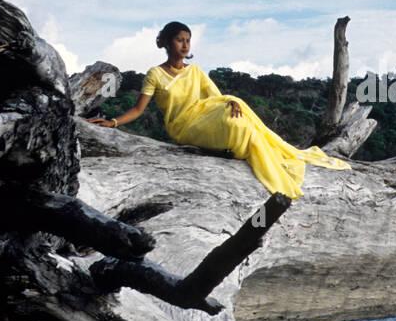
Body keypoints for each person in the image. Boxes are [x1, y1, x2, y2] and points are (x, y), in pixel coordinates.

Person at [86, 21, 351, 199]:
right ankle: (240, 152)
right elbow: (137, 109)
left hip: (205, 116)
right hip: (183, 127)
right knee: (236, 125)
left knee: (239, 117)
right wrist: (114, 122)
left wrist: (231, 102)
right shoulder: (155, 74)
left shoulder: (196, 71)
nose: (186, 45)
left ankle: (257, 152)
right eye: (180, 40)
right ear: (167, 42)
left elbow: (216, 98)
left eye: (188, 40)